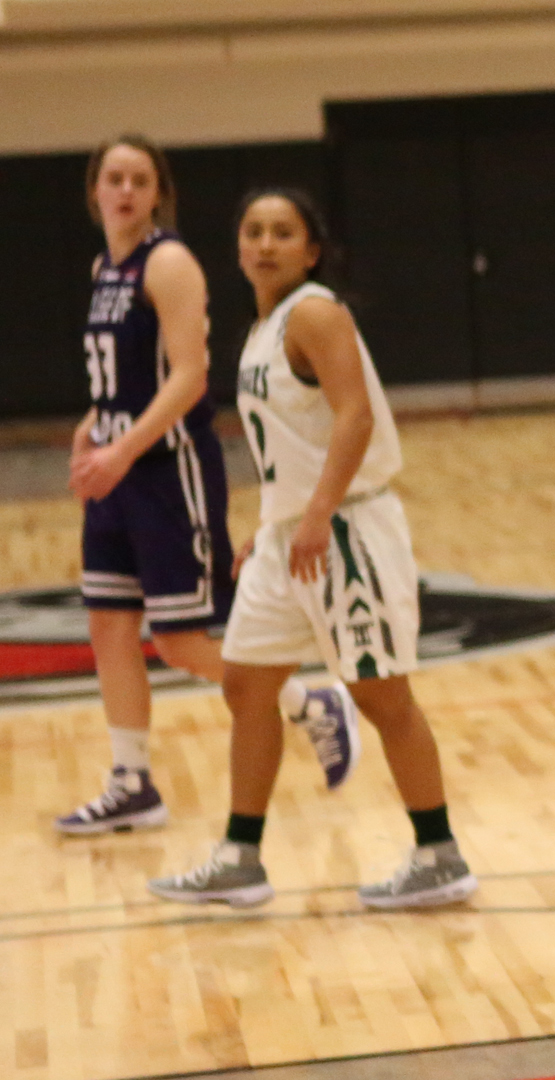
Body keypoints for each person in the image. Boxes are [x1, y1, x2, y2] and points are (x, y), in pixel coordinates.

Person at [148, 188, 474, 910]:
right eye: (254, 231)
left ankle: (440, 853)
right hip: (290, 536)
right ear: (238, 248)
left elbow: (355, 416)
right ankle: (239, 856)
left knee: (381, 695)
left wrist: (317, 512)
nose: (266, 243)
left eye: (283, 232)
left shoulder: (316, 313)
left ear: (311, 249)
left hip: (346, 529)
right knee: (245, 682)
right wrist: (268, 526)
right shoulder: (262, 329)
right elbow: (291, 443)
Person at [57, 137, 355, 838]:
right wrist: (92, 425)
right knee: (108, 626)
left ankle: (309, 702)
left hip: (167, 471)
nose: (126, 190)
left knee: (181, 638)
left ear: (157, 192)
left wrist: (122, 450)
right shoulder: (107, 266)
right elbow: (128, 375)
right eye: (114, 178)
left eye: (139, 179)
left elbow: (188, 376)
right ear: (95, 190)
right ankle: (131, 781)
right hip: (118, 466)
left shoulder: (168, 263)